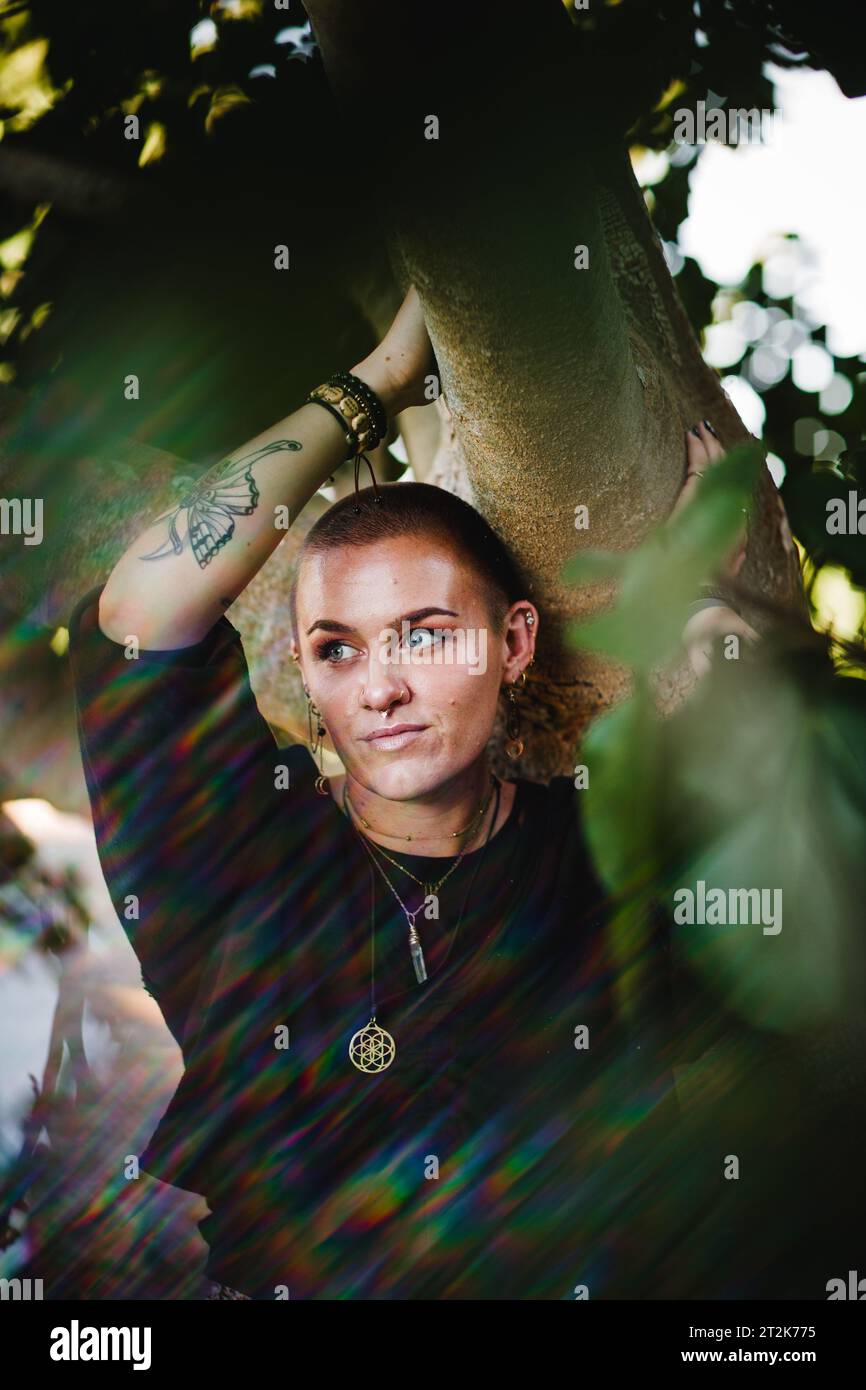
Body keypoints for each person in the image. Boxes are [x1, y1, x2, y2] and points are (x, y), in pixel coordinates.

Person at [68, 287, 750, 1300]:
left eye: (425, 635)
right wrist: (378, 384)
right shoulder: (242, 856)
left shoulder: (602, 854)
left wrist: (688, 598)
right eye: (335, 649)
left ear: (514, 643)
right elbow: (135, 619)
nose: (380, 685)